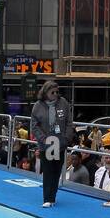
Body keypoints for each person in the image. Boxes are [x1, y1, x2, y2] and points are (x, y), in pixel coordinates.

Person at [31, 81, 75, 209]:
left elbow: (69, 122)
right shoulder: (38, 106)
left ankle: (53, 197)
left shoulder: (63, 103)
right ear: (45, 92)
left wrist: (66, 138)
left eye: (57, 92)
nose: (55, 94)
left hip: (60, 142)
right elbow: (34, 125)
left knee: (56, 171)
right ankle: (47, 198)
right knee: (48, 171)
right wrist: (43, 139)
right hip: (47, 143)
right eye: (52, 92)